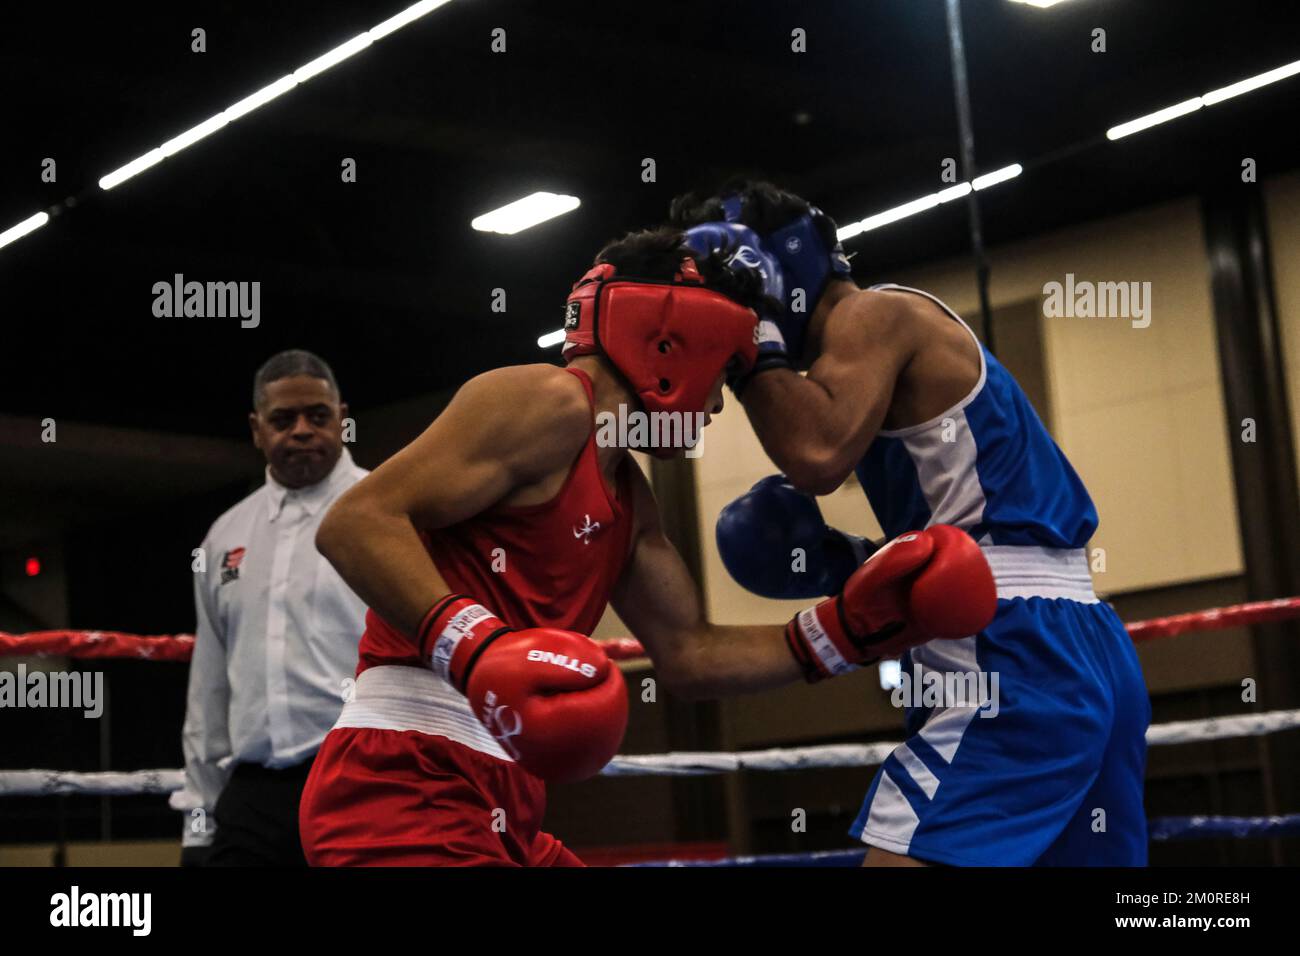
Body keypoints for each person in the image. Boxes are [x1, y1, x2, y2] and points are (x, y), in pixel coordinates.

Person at [297, 228, 996, 866]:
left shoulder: (629, 500)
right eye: (723, 373)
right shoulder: (546, 401)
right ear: (672, 342)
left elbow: (690, 655)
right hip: (400, 781)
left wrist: (847, 630)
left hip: (500, 794)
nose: (719, 406)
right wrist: (472, 644)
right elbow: (356, 522)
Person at [674, 180, 1151, 867]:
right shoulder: (878, 342)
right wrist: (850, 559)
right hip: (1081, 636)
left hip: (1004, 646)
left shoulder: (874, 315)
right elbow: (976, 521)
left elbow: (815, 457)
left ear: (770, 272)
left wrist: (756, 343)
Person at [172, 350, 368, 866]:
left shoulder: (388, 509)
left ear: (342, 418)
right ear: (257, 430)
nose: (302, 430)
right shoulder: (226, 535)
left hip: (363, 780)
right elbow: (209, 686)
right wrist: (198, 822)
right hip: (254, 793)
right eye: (284, 419)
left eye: (317, 416)